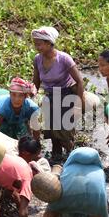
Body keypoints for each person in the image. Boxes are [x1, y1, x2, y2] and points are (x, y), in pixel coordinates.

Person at [32, 26, 85, 159]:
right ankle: (56, 158)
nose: (37, 47)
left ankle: (71, 156)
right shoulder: (38, 59)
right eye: (35, 44)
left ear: (49, 43)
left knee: (65, 133)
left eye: (40, 44)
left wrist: (78, 105)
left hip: (67, 95)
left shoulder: (64, 59)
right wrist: (31, 96)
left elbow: (79, 81)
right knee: (52, 133)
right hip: (50, 96)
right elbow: (36, 81)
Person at [35, 147, 108, 217]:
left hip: (67, 199)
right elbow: (102, 191)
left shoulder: (68, 169)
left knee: (51, 212)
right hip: (94, 199)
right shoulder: (99, 172)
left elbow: (58, 188)